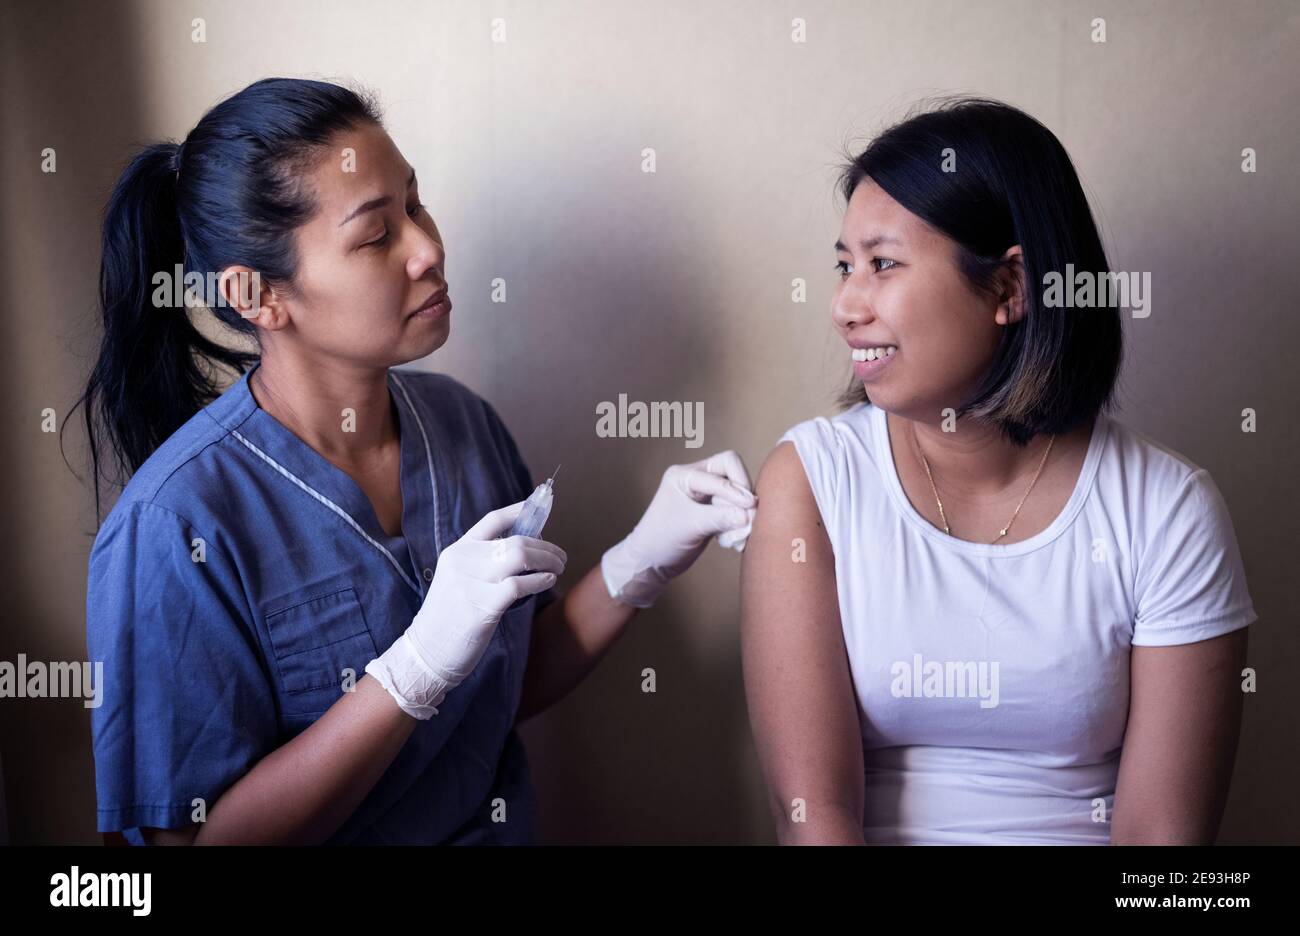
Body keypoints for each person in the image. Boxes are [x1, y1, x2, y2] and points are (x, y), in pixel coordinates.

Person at [77, 77, 755, 845]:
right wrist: (412, 671)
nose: (429, 249)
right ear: (259, 296)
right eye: (376, 236)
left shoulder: (461, 428)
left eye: (415, 205)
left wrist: (641, 561)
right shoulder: (173, 524)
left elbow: (509, 681)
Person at [740, 98, 1257, 845]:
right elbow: (815, 817)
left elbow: (1162, 847)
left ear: (1010, 288)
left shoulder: (1166, 507)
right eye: (844, 266)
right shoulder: (811, 480)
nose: (844, 305)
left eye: (882, 264)